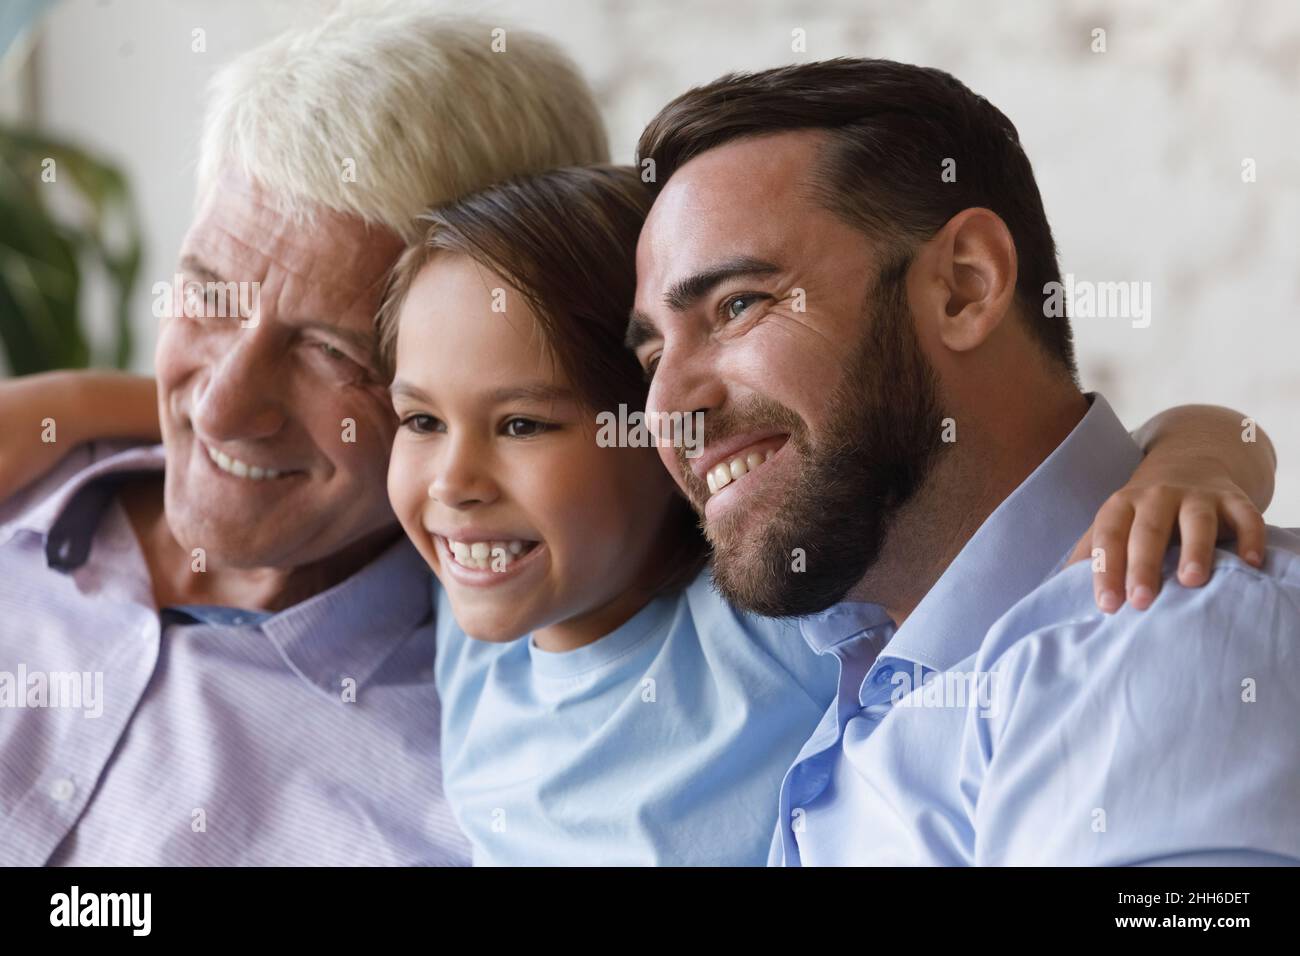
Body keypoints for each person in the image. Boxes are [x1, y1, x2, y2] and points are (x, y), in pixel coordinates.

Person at [6, 158, 1278, 866]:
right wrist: (71, 400)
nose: (453, 478)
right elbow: (256, 419)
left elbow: (1006, 494)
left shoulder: (767, 620)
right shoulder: (467, 597)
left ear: (666, 429)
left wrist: (1206, 448)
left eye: (524, 424)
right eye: (417, 417)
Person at [628, 57, 1298, 865]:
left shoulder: (1158, 633)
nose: (665, 410)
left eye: (737, 305)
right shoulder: (844, 663)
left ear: (964, 288)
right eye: (650, 355)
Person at [0, 9, 608, 866]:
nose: (217, 410)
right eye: (209, 296)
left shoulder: (483, 802)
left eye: (331, 352)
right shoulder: (21, 469)